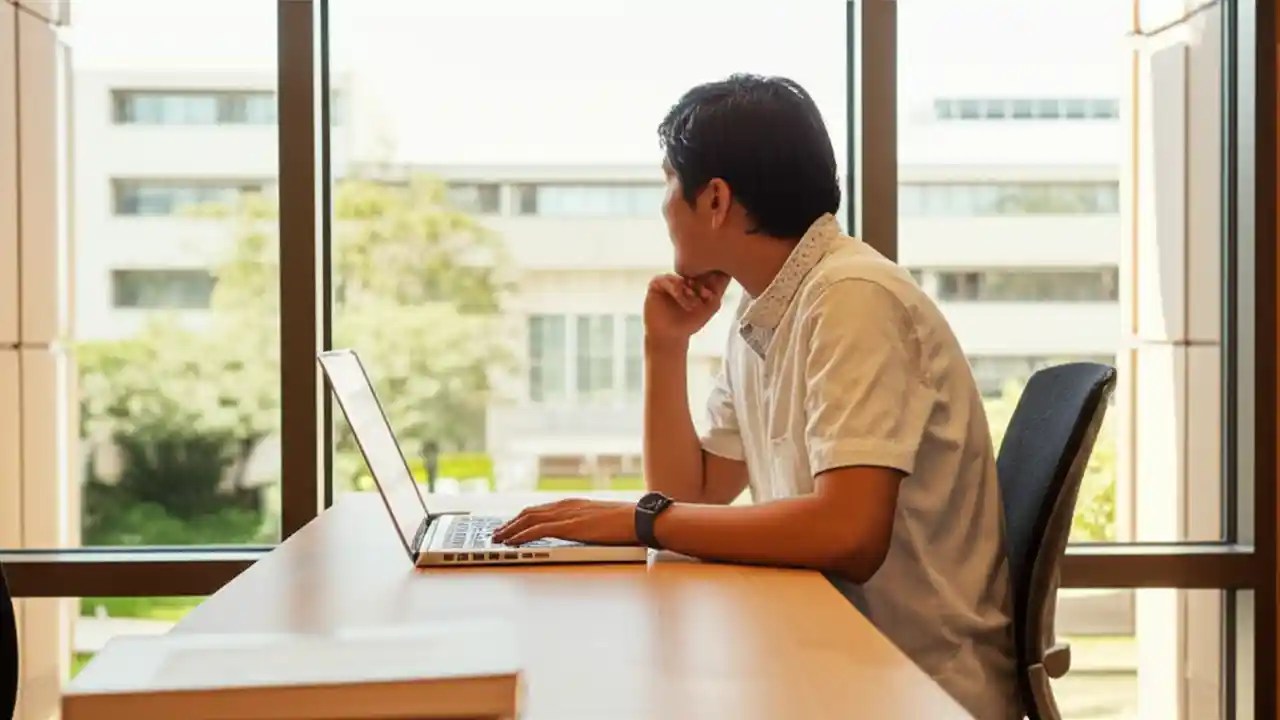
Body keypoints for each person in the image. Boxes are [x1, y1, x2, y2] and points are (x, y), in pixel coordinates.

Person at [494, 74, 1017, 719]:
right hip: (834, 652)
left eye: (667, 182)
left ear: (714, 199)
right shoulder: (769, 305)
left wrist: (639, 519)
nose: (663, 207)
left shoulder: (853, 297)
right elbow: (695, 494)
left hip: (913, 685)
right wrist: (666, 347)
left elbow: (850, 532)